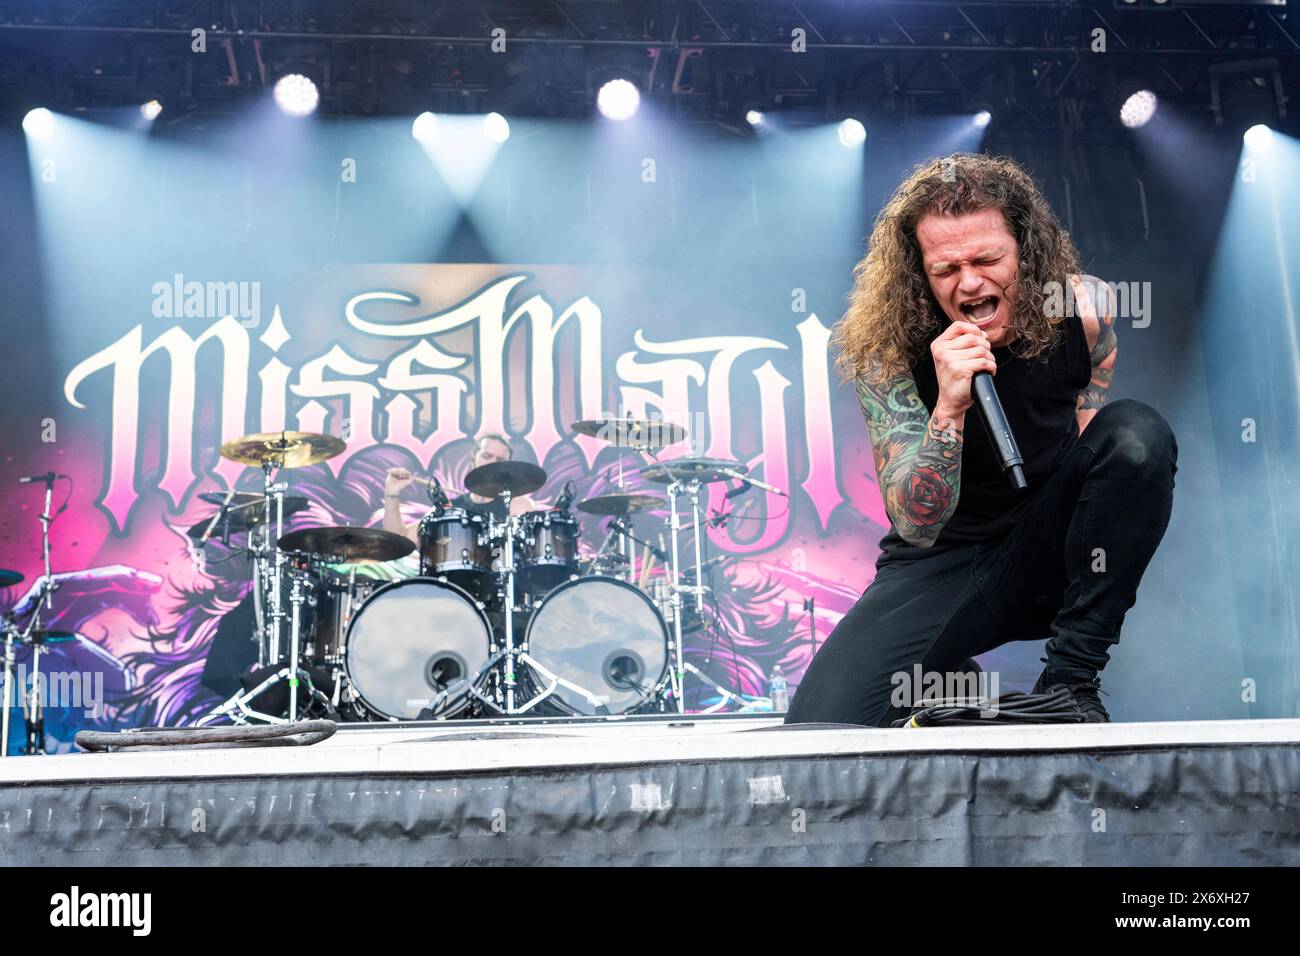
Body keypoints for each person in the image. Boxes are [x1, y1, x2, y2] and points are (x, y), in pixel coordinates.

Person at [785, 153, 1177, 727]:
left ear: (1027, 250)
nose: (969, 282)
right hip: (945, 563)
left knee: (1137, 432)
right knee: (819, 732)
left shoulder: (1084, 310)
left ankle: (1069, 683)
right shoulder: (887, 351)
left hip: (1046, 552)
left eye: (988, 259)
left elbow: (1103, 460)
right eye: (945, 269)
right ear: (919, 272)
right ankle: (947, 683)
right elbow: (917, 522)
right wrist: (949, 406)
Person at [382, 433, 539, 545]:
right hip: (457, 588)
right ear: (473, 461)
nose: (493, 462)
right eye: (487, 456)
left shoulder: (518, 505)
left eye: (500, 460)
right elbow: (399, 539)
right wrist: (392, 493)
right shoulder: (450, 508)